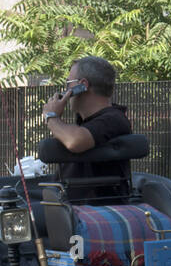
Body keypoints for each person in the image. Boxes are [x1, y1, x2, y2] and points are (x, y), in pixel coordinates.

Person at [41, 55, 135, 185]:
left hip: (97, 198)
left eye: (68, 84)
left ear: (82, 85)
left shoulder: (114, 119)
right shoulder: (86, 123)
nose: (66, 90)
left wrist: (51, 116)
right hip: (64, 196)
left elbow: (74, 141)